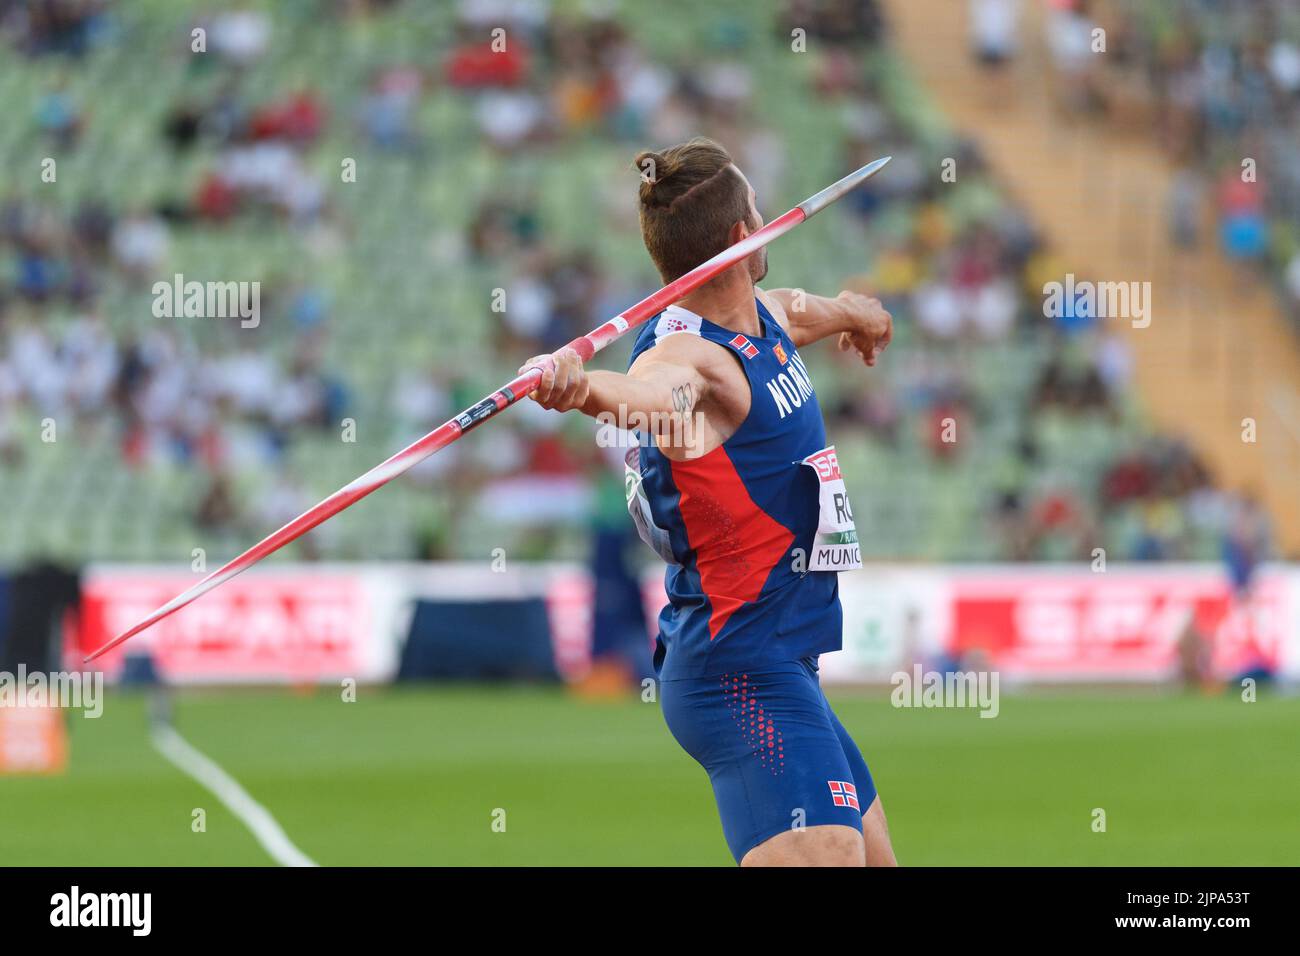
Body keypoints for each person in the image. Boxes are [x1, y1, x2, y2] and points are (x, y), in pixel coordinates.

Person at [519, 138, 897, 866]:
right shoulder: (689, 361)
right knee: (834, 856)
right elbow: (652, 396)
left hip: (786, 661)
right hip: (737, 672)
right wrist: (579, 387)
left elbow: (797, 313)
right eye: (759, 207)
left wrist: (856, 314)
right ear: (741, 234)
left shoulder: (758, 322)